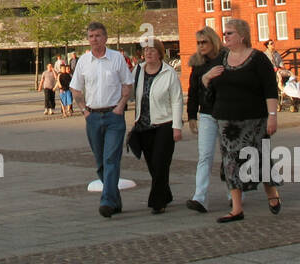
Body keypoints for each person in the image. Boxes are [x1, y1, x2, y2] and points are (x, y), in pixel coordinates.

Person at [201, 18, 281, 222]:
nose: (225, 36)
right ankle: (237, 208)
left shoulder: (258, 59)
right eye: (224, 33)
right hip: (227, 121)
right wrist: (206, 77)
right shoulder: (222, 58)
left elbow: (270, 90)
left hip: (254, 120)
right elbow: (207, 86)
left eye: (230, 33)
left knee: (259, 159)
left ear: (242, 36)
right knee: (230, 162)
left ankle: (271, 193)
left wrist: (272, 117)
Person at [70, 21, 134, 218]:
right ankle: (114, 199)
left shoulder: (116, 58)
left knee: (111, 158)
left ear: (105, 38)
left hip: (114, 115)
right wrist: (83, 110)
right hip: (93, 116)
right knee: (100, 161)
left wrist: (121, 106)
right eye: (91, 36)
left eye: (98, 36)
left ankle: (106, 201)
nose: (94, 40)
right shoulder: (83, 61)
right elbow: (75, 87)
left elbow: (127, 83)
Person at [131, 40, 184, 214]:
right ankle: (165, 193)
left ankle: (157, 202)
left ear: (160, 53)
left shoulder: (169, 73)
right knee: (152, 165)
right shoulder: (138, 70)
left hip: (164, 123)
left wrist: (177, 126)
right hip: (143, 124)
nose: (148, 53)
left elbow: (177, 100)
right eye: (146, 50)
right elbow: (130, 92)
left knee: (161, 162)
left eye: (152, 50)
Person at [184, 25, 225, 213]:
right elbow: (193, 92)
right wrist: (191, 116)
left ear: (213, 41)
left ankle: (234, 193)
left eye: (204, 42)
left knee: (229, 156)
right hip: (207, 114)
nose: (200, 46)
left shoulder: (225, 59)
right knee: (205, 155)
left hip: (226, 112)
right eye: (198, 43)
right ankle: (200, 197)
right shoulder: (198, 64)